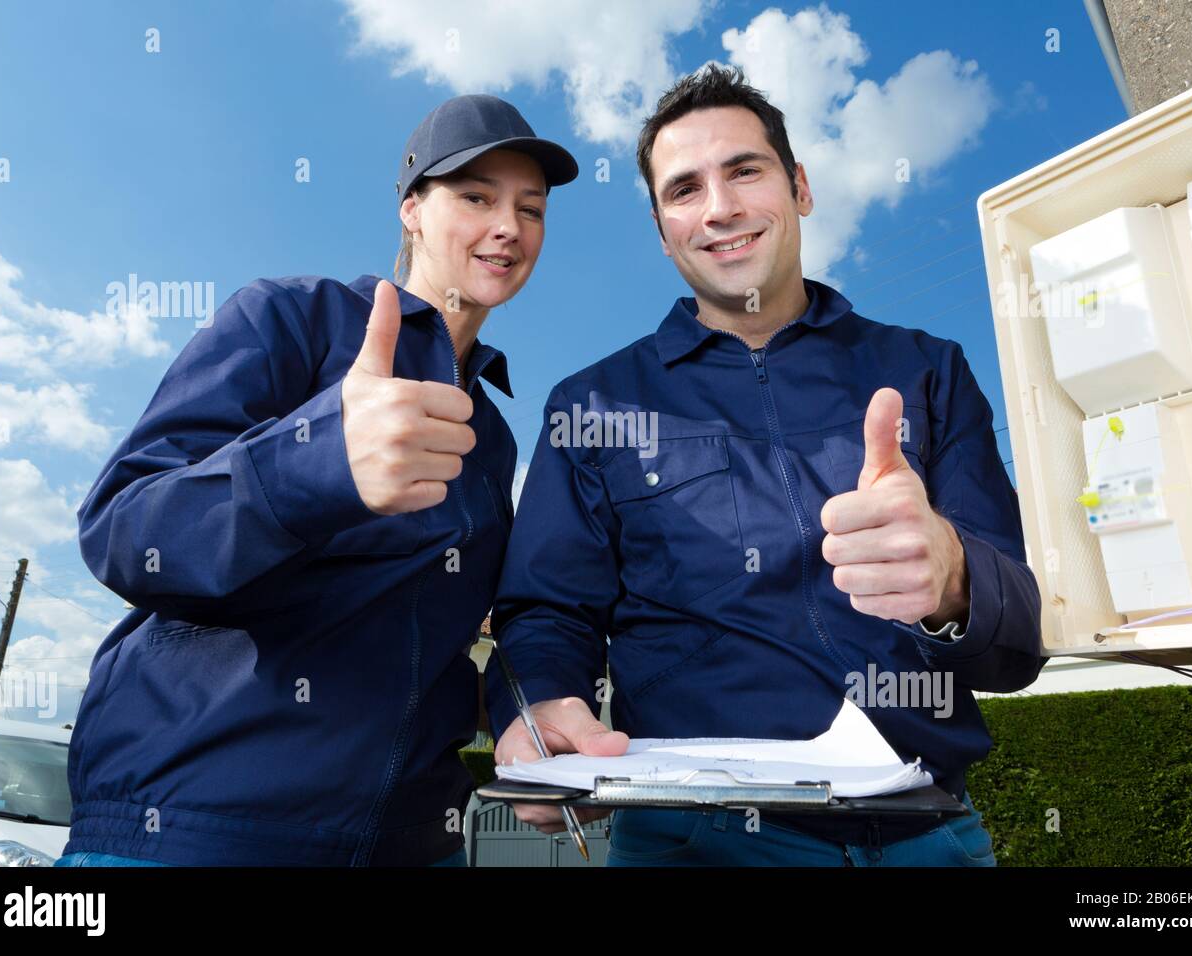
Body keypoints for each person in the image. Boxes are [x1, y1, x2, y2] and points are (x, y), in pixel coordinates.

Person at [486, 65, 1044, 866]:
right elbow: (547, 607)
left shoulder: (928, 370)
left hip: (931, 833)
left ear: (801, 186)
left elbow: (1019, 644)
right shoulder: (594, 403)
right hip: (692, 839)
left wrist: (955, 580)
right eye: (685, 189)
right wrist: (547, 700)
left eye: (744, 170)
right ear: (661, 225)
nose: (720, 208)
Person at [56, 94, 577, 866]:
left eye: (530, 209)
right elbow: (125, 532)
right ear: (412, 211)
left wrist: (525, 713)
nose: (508, 226)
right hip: (193, 831)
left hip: (410, 847)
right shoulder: (290, 321)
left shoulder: (492, 439)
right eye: (475, 197)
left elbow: (454, 638)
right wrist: (317, 463)